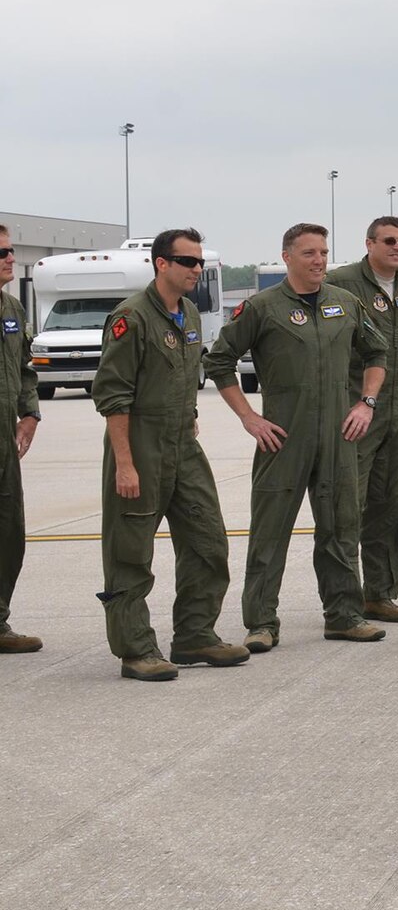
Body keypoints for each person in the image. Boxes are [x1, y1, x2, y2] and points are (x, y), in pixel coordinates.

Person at [204, 223, 390, 649]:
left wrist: (366, 403)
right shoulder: (262, 308)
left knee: (341, 530)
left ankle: (344, 615)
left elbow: (377, 353)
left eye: (323, 252)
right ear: (287, 257)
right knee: (270, 533)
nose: (319, 260)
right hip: (283, 439)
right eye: (309, 253)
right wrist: (249, 417)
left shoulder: (345, 304)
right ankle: (261, 623)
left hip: (338, 439)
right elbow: (219, 362)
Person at [92, 229, 248, 680]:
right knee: (130, 552)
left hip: (183, 443)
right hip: (139, 444)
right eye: (186, 261)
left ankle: (195, 635)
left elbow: (184, 373)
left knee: (208, 539)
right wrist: (124, 462)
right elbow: (113, 395)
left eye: (198, 262)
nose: (195, 270)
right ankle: (136, 649)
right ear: (161, 263)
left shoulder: (192, 314)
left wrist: (190, 414)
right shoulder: (131, 317)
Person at [328, 217, 398, 623]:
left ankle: (380, 593)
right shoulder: (342, 283)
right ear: (369, 243)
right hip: (355, 410)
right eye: (389, 241)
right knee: (347, 505)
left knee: (393, 501)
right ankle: (343, 599)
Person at [0, 224, 43, 654]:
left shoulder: (12, 307)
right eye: (3, 253)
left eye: (10, 251)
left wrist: (29, 412)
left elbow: (25, 367)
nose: (11, 258)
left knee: (9, 533)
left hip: (5, 444)